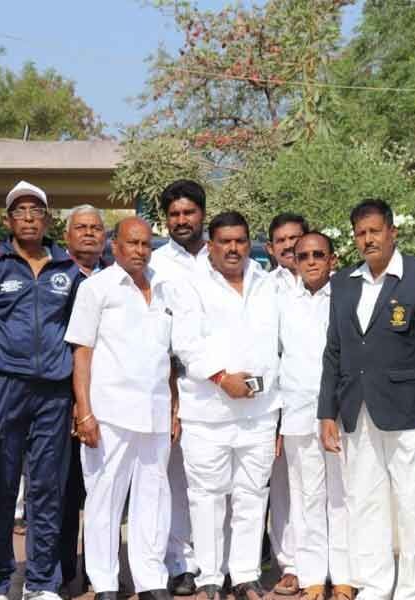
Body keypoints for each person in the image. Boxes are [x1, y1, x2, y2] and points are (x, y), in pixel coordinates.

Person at [318, 199, 415, 600]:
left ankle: (412, 592)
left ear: (392, 232)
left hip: (410, 412)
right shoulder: (343, 282)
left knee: (414, 507)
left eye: (375, 231)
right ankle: (374, 587)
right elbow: (334, 350)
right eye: (361, 233)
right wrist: (327, 412)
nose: (368, 239)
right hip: (356, 409)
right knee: (364, 504)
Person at [0, 181, 83, 600]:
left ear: (48, 219)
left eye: (37, 211)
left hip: (54, 392)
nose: (30, 218)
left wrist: (77, 399)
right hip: (5, 388)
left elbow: (80, 338)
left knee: (47, 488)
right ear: (8, 221)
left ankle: (41, 582)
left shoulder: (68, 268)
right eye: (20, 212)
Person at [168, 211, 281, 600]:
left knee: (252, 494)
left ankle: (245, 574)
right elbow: (184, 342)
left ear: (250, 243)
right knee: (207, 496)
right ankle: (210, 578)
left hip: (260, 412)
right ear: (211, 245)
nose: (233, 248)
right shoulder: (189, 284)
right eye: (225, 241)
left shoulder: (267, 284)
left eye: (240, 241)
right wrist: (220, 377)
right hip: (207, 411)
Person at [66, 217, 176, 600]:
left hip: (156, 413)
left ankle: (150, 578)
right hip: (109, 413)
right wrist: (85, 413)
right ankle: (106, 581)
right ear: (115, 246)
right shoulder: (97, 288)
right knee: (103, 499)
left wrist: (174, 408)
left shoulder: (163, 289)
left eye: (146, 244)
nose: (140, 251)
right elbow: (82, 355)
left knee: (154, 498)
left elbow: (169, 358)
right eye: (132, 243)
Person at [278, 232, 353, 600]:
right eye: (302, 255)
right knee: (305, 498)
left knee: (340, 496)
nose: (310, 261)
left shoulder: (344, 298)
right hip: (294, 412)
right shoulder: (280, 299)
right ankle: (311, 577)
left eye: (317, 254)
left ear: (332, 259)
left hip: (334, 414)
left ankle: (342, 575)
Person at [151, 179, 209, 596]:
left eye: (188, 213)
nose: (182, 220)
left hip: (224, 386)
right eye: (174, 214)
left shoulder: (225, 255)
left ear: (202, 214)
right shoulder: (155, 265)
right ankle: (180, 564)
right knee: (175, 478)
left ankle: (218, 562)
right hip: (175, 383)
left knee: (214, 478)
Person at [61, 204, 110, 598]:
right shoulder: (55, 277)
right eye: (82, 228)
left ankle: (99, 569)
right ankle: (63, 570)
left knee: (101, 490)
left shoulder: (117, 279)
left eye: (96, 228)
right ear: (67, 236)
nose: (90, 234)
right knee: (64, 489)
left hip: (106, 401)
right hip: (60, 398)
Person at [265, 212, 310, 597]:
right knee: (284, 489)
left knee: (326, 488)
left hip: (321, 402)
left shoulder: (331, 283)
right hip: (277, 404)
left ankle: (329, 564)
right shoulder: (265, 288)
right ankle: (291, 565)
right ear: (271, 247)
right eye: (281, 240)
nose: (290, 246)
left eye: (296, 238)